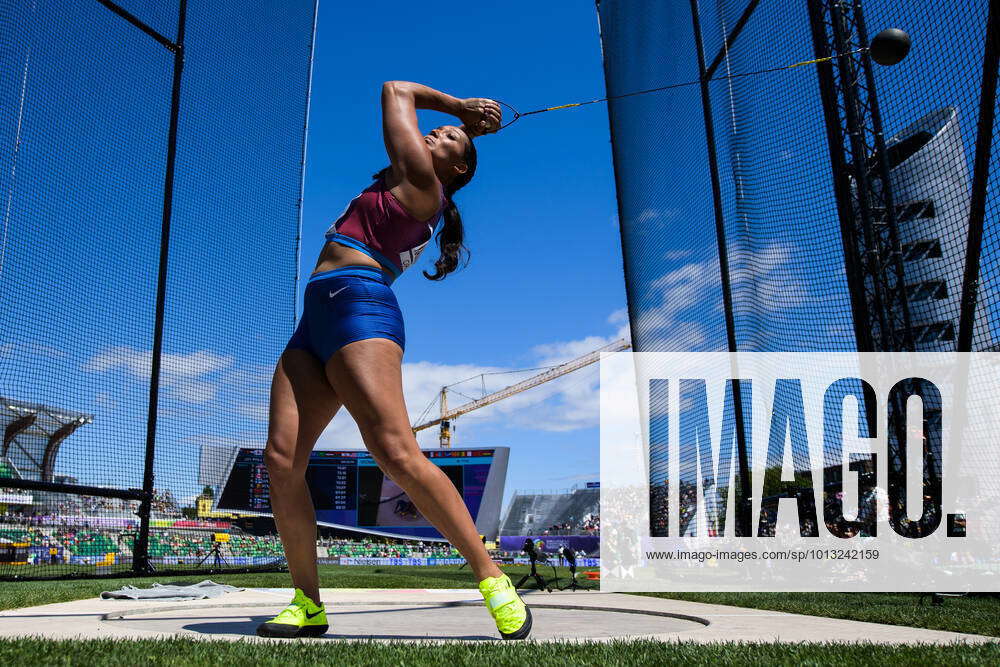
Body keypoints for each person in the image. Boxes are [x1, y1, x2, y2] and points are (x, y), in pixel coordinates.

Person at [256, 81, 531, 640]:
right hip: (316, 317)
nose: (439, 133)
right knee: (282, 460)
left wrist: (459, 109)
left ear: (456, 171)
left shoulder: (424, 181)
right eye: (440, 129)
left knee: (395, 452)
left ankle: (492, 578)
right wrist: (464, 123)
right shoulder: (406, 177)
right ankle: (307, 603)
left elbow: (395, 90)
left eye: (451, 138)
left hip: (360, 305)